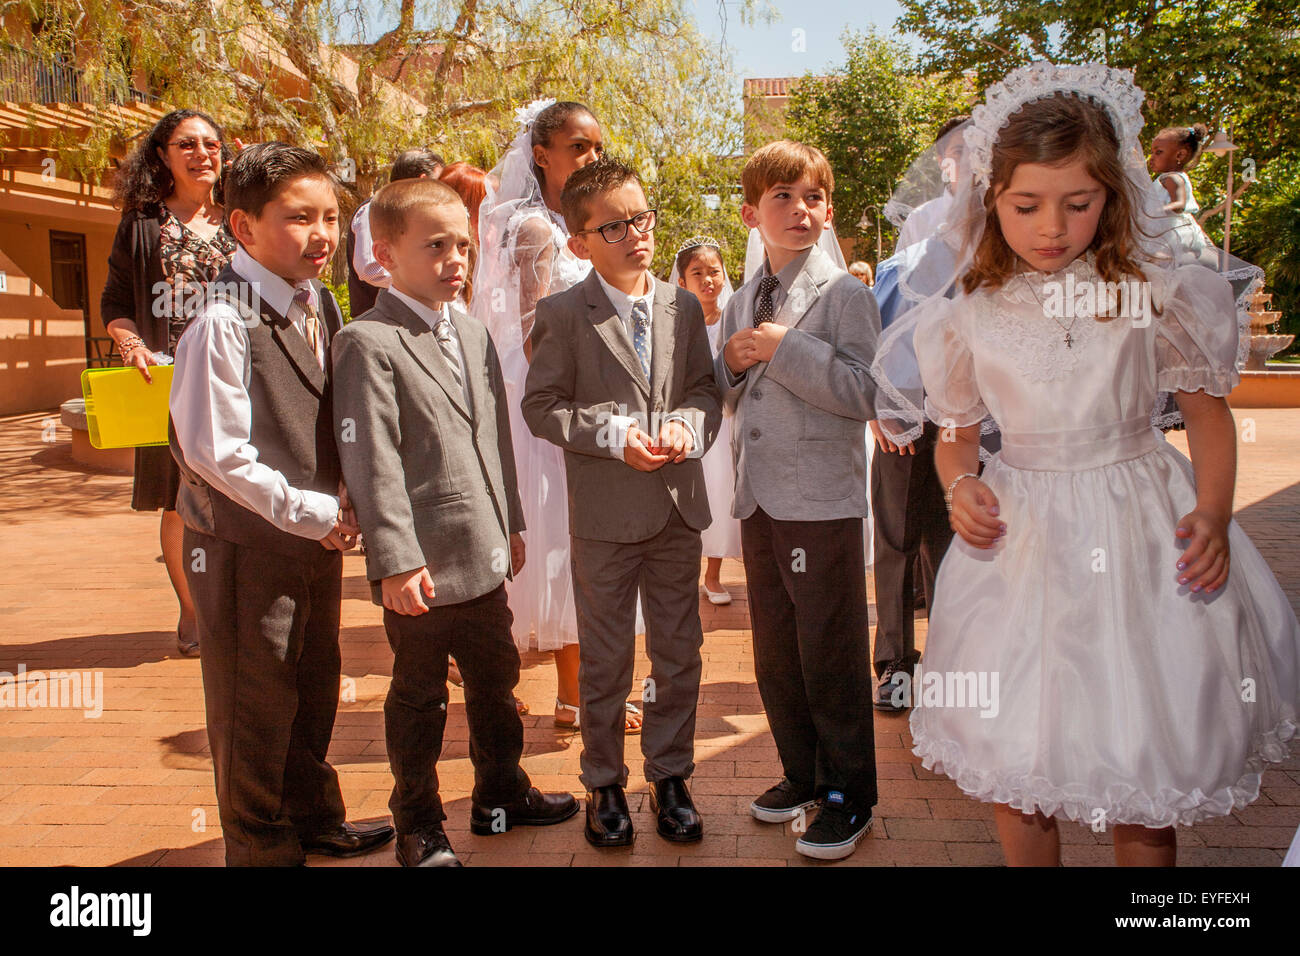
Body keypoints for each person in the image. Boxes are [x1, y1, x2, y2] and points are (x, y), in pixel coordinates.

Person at [871, 62, 1300, 867]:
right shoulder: (964, 316)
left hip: (1139, 528)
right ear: (988, 200)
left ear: (1114, 195)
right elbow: (955, 432)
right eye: (1026, 205)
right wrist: (960, 482)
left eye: (1079, 203)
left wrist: (1211, 511)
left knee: (1140, 753)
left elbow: (1208, 415)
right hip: (1020, 540)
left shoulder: (1153, 295)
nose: (1052, 227)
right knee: (1021, 760)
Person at [332, 178, 578, 867]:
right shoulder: (368, 341)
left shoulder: (469, 331)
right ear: (383, 254)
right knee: (419, 699)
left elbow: (496, 439)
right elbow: (371, 459)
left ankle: (503, 794)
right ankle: (418, 821)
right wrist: (395, 559)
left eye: (463, 245)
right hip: (422, 566)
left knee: (497, 683)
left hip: (483, 552)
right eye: (434, 245)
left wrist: (514, 523)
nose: (454, 259)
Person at [168, 142, 393, 866]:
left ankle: (312, 817)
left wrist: (347, 496)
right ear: (243, 226)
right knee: (253, 699)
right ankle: (260, 846)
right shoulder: (222, 322)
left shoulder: (319, 302)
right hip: (244, 543)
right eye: (299, 218)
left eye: (330, 216)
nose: (322, 234)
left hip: (312, 538)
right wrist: (317, 513)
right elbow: (214, 451)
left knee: (309, 685)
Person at [522, 156, 721, 848]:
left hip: (675, 510)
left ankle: (670, 776)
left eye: (642, 217)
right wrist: (610, 433)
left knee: (679, 651)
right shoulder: (561, 313)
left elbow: (704, 390)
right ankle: (604, 783)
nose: (636, 233)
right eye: (614, 226)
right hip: (605, 516)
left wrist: (687, 426)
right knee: (606, 658)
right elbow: (541, 407)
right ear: (578, 243)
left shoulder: (682, 305)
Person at [716, 140, 881, 861]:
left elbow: (864, 392)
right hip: (760, 500)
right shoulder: (741, 298)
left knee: (830, 653)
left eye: (811, 197)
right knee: (778, 652)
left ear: (828, 209)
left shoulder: (846, 294)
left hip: (821, 502)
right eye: (781, 198)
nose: (799, 210)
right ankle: (802, 774)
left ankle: (851, 795)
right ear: (752, 213)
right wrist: (727, 361)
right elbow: (722, 393)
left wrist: (786, 349)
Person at [474, 100, 643, 734]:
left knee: (584, 543)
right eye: (578, 147)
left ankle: (574, 693)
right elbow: (534, 327)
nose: (591, 158)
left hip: (587, 395)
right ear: (540, 155)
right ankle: (572, 694)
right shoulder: (536, 229)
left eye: (597, 147)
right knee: (566, 542)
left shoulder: (592, 220)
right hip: (556, 404)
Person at [101, 108, 237, 657]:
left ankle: (238, 609)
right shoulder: (142, 224)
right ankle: (192, 610)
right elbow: (115, 302)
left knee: (241, 494)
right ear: (162, 156)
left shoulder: (243, 217)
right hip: (171, 381)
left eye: (211, 143)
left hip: (239, 377)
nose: (202, 154)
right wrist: (131, 344)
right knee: (180, 502)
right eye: (187, 145)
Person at [671, 236, 741, 604]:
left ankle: (713, 576)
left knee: (719, 493)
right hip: (688, 419)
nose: (708, 279)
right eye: (697, 273)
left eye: (714, 271)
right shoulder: (675, 321)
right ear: (681, 281)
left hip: (726, 421)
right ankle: (684, 574)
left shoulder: (734, 316)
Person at [348, 148, 445, 316]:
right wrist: (422, 280)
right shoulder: (373, 209)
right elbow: (370, 270)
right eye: (439, 182)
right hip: (377, 323)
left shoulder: (410, 213)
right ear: (422, 180)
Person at [891, 116, 970, 253]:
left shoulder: (1003, 214)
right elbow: (903, 272)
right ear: (941, 161)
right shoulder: (920, 220)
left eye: (977, 150)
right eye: (959, 152)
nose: (968, 160)